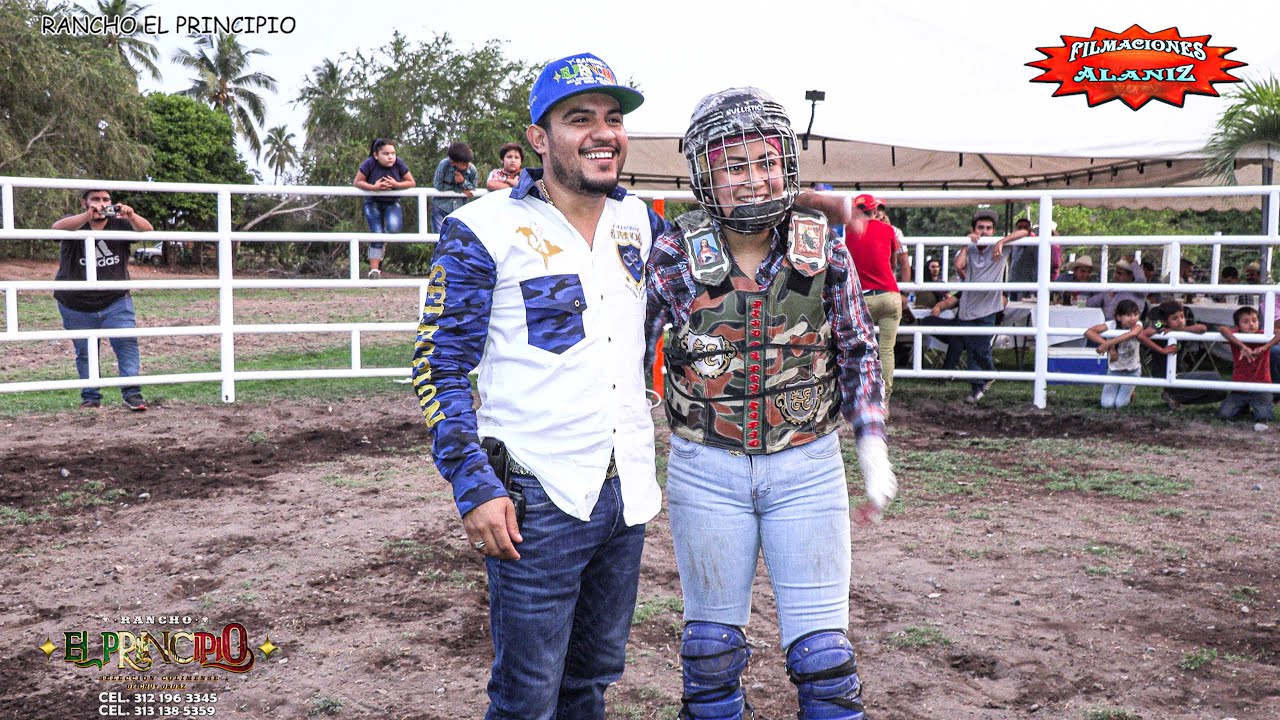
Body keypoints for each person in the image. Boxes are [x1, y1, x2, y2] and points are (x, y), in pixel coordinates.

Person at [411, 52, 665, 720]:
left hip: (627, 489)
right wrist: (474, 485)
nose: (602, 132)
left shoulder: (643, 223)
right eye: (579, 118)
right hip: (534, 497)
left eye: (613, 118)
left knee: (592, 681)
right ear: (538, 137)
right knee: (526, 697)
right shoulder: (483, 228)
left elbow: (669, 327)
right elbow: (438, 367)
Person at [645, 87, 897, 720]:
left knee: (825, 663)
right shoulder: (674, 256)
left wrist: (868, 437)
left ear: (786, 163)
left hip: (806, 465)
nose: (752, 180)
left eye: (764, 161)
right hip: (705, 467)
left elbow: (858, 349)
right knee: (709, 657)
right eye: (733, 165)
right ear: (707, 173)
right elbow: (625, 353)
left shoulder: (826, 248)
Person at [51, 189, 154, 410]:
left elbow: (147, 230)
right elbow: (56, 229)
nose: (101, 204)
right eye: (95, 200)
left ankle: (132, 393)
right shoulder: (76, 224)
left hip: (115, 299)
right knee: (85, 351)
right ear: (84, 203)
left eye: (105, 200)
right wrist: (88, 216)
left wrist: (131, 215)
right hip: (75, 302)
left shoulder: (120, 224)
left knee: (126, 343)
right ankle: (91, 397)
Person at [954, 209, 1027, 404]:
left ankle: (987, 376)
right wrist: (965, 243)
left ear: (993, 231)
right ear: (974, 229)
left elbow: (1026, 232)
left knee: (982, 348)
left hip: (989, 307)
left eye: (988, 228)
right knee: (971, 350)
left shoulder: (1000, 247)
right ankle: (979, 386)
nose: (984, 232)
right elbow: (959, 265)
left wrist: (1002, 241)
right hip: (968, 306)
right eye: (980, 228)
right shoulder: (969, 247)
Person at [846, 193, 907, 405]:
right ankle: (885, 400)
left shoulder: (848, 231)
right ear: (875, 210)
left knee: (858, 349)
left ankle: (858, 396)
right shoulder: (889, 230)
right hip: (890, 295)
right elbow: (894, 264)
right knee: (886, 350)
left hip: (864, 299)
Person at [1138, 301, 1226, 410]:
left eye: (1182, 316)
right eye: (1175, 318)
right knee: (1214, 377)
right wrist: (1162, 350)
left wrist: (1178, 330)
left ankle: (1176, 398)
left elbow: (1202, 328)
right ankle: (1173, 396)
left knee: (1221, 393)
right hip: (1164, 372)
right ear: (1165, 321)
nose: (1180, 320)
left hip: (1179, 371)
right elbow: (1142, 335)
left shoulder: (1183, 326)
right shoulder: (1159, 325)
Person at [353, 138, 416, 279]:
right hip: (373, 203)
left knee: (393, 229)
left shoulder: (399, 163)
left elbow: (411, 182)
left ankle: (382, 244)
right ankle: (374, 271)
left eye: (393, 153)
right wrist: (374, 188)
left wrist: (396, 184)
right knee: (377, 234)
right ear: (376, 155)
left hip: (392, 203)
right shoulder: (369, 163)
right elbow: (357, 182)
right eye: (386, 153)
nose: (390, 156)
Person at [1216, 305, 1277, 422]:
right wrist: (1242, 346)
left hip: (1262, 386)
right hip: (1240, 386)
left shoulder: (1263, 335)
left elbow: (1278, 332)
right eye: (1246, 321)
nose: (1251, 324)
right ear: (1238, 325)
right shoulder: (1236, 336)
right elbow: (1222, 329)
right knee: (1224, 415)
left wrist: (1265, 347)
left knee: (1264, 417)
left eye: (1255, 320)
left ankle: (1257, 406)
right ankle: (1243, 406)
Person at [1084, 299, 1143, 408]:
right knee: (1106, 405)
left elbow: (1132, 334)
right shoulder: (1111, 324)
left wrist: (1107, 344)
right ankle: (1126, 392)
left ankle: (1129, 394)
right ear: (1118, 317)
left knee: (1120, 405)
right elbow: (1089, 332)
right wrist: (1109, 346)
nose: (1133, 318)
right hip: (1114, 370)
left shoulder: (1137, 324)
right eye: (1128, 315)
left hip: (1132, 370)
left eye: (1135, 314)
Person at [430, 141, 477, 233]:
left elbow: (473, 188)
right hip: (440, 207)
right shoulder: (444, 165)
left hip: (460, 209)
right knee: (440, 237)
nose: (467, 166)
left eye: (468, 162)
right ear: (453, 162)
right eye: (464, 163)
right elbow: (438, 185)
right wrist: (460, 188)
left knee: (458, 239)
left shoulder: (472, 169)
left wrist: (463, 181)